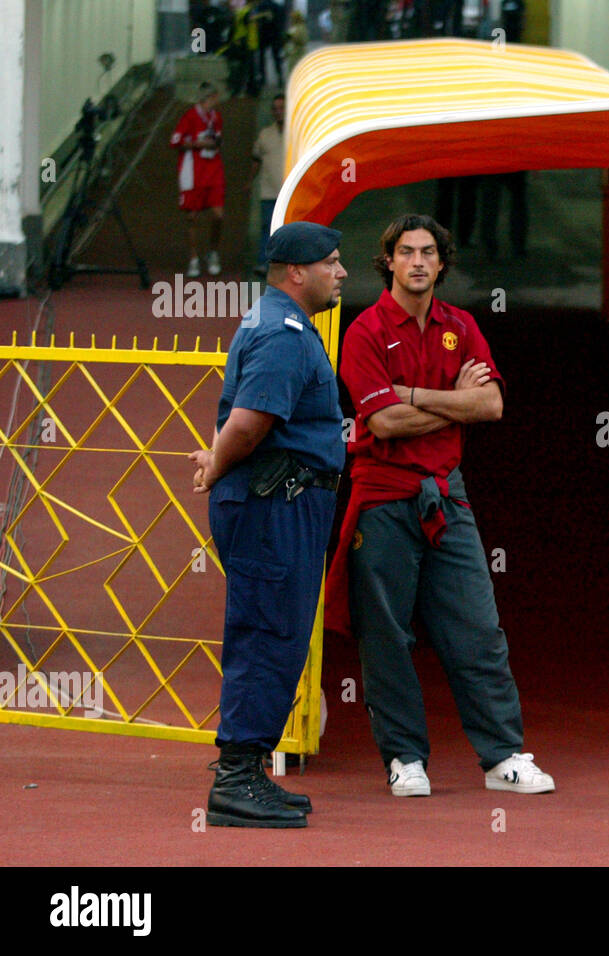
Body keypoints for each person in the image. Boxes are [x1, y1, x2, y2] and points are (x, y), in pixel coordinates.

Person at [323, 213, 555, 798]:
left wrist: (419, 396)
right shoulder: (365, 331)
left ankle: (503, 756)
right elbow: (382, 420)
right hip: (382, 497)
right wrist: (458, 399)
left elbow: (494, 407)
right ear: (390, 261)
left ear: (442, 263)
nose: (419, 262)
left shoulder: (462, 325)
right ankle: (405, 758)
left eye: (429, 252)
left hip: (447, 494)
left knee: (478, 628)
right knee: (387, 635)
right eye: (407, 252)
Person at [189, 221, 348, 828]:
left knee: (275, 632)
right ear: (296, 272)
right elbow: (251, 422)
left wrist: (217, 458)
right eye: (331, 263)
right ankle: (235, 781)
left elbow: (243, 419)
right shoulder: (284, 333)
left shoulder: (279, 324)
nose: (340, 273)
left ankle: (248, 770)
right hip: (275, 503)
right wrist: (219, 464)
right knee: (267, 632)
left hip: (280, 499)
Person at [170, 81, 226, 278]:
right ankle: (193, 258)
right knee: (192, 216)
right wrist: (197, 143)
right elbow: (175, 141)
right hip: (194, 172)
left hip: (213, 169)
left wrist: (214, 142)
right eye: (214, 97)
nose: (216, 101)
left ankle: (213, 252)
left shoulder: (216, 117)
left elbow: (218, 138)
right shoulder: (190, 117)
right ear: (207, 98)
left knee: (218, 215)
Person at [249, 93, 287, 276]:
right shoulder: (265, 135)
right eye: (275, 109)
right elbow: (256, 160)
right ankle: (264, 263)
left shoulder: (298, 133)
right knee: (267, 227)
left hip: (292, 190)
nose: (278, 112)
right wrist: (249, 181)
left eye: (282, 108)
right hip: (269, 191)